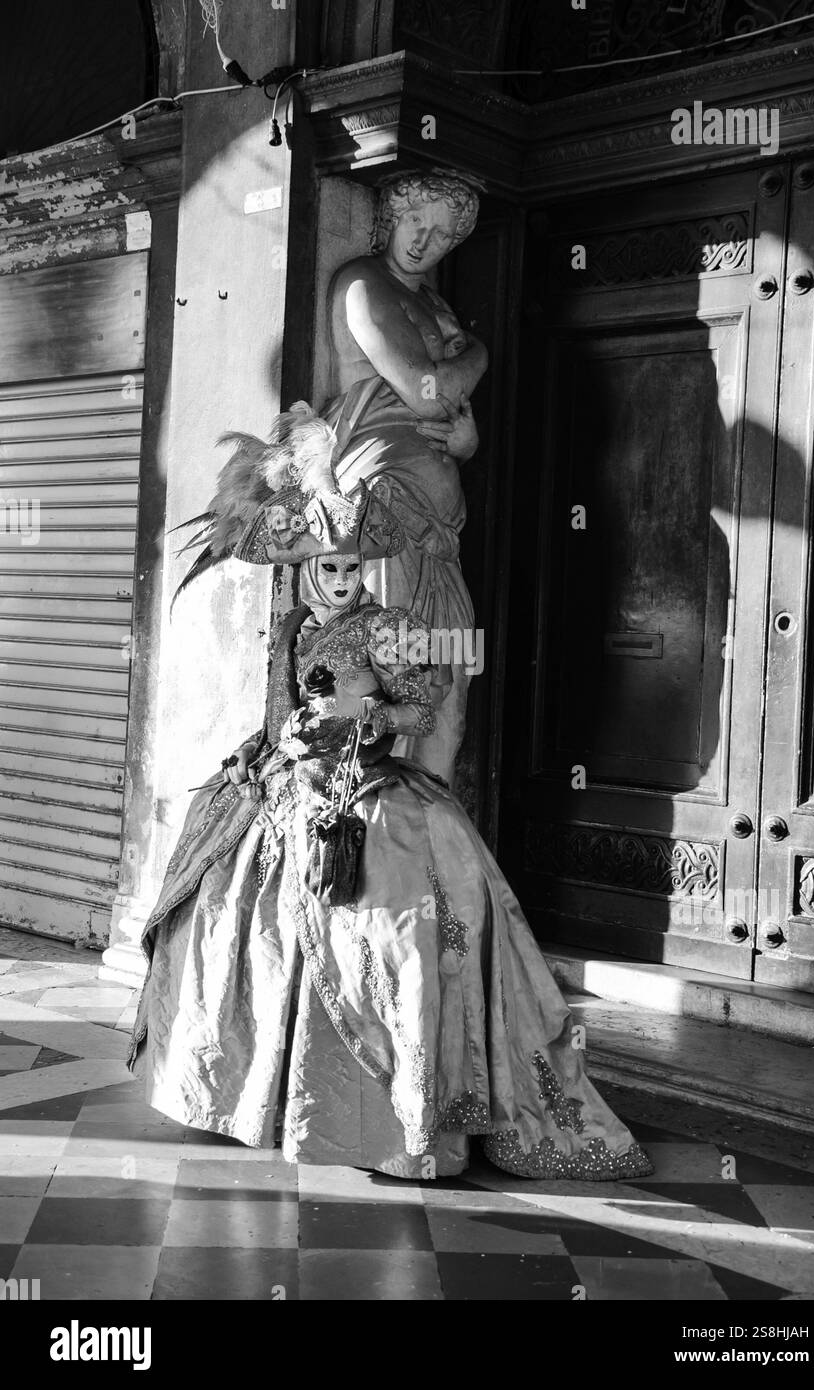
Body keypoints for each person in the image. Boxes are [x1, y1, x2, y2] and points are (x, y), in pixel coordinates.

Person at [129, 409, 653, 1183]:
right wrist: (263, 745)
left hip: (366, 797)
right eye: (326, 571)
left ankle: (394, 1121)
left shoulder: (393, 629)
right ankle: (255, 1099)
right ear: (305, 572)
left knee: (392, 937)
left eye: (349, 570)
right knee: (220, 912)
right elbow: (279, 713)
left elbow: (421, 711)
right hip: (282, 793)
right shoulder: (292, 627)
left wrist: (356, 712)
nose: (340, 583)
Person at [325, 168, 488, 787]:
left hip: (440, 537)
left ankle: (432, 856)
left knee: (452, 691)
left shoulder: (436, 306)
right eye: (417, 222)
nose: (425, 241)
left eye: (443, 235)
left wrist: (468, 449)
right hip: (388, 523)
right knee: (392, 690)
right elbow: (429, 394)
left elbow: (448, 414)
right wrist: (479, 353)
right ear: (393, 216)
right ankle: (376, 858)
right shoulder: (363, 284)